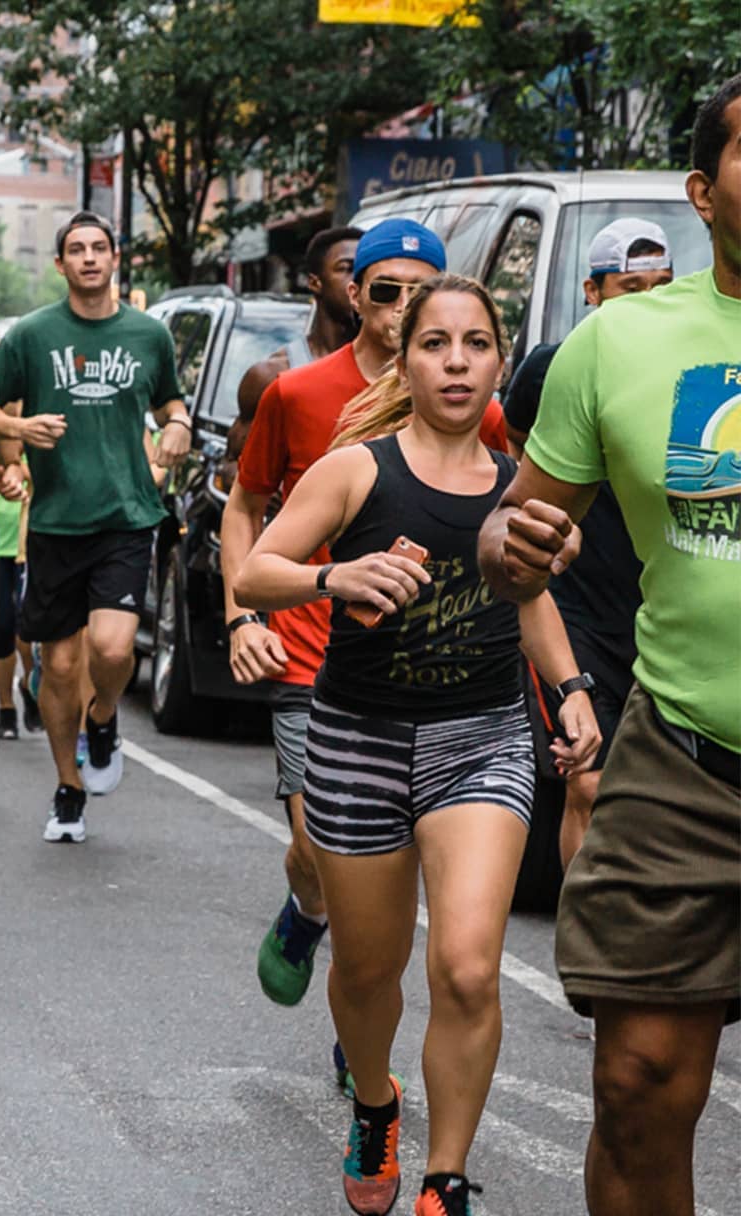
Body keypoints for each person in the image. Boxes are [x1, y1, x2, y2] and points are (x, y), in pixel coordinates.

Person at [237, 275, 600, 1216]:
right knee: (367, 972)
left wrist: (567, 691)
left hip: (480, 740)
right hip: (357, 737)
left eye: (476, 345)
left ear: (499, 362)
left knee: (470, 965)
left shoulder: (518, 486)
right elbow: (255, 571)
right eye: (436, 344)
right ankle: (374, 1099)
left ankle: (447, 1179)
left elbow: (530, 598)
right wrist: (336, 574)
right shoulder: (358, 468)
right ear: (406, 359)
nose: (456, 363)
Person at [479, 74, 741, 1216]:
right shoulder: (617, 343)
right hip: (684, 761)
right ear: (703, 188)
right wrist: (508, 542)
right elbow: (516, 530)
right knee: (637, 1085)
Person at [222, 218, 511, 1038]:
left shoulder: (473, 410)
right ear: (356, 296)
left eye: (423, 293)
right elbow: (245, 512)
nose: (403, 310)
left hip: (431, 680)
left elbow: (493, 537)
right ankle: (309, 911)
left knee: (428, 913)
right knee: (318, 852)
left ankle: (365, 1044)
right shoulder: (296, 393)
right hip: (311, 652)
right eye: (388, 291)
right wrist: (244, 618)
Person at [0, 210, 191, 843]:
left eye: (100, 247)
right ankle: (69, 785)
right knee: (59, 665)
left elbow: (169, 402)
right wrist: (20, 430)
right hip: (56, 525)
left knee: (114, 649)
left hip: (127, 516)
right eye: (77, 249)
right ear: (61, 264)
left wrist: (176, 426)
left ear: (116, 258)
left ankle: (104, 717)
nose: (90, 258)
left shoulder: (149, 335)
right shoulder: (32, 336)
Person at [500, 218, 673, 868]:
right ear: (592, 292)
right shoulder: (556, 365)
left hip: (659, 611)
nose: (649, 299)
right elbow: (515, 440)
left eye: (662, 285)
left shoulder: (693, 365)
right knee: (590, 782)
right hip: (578, 614)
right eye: (631, 286)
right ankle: (583, 945)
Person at [229, 226, 362, 461]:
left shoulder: (397, 374)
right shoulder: (272, 377)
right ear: (314, 282)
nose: (357, 282)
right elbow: (232, 466)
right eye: (346, 269)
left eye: (364, 272)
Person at [0, 460, 39, 739]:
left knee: (28, 631)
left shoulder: (37, 431)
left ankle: (31, 687)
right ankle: (6, 708)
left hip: (31, 544)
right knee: (0, 627)